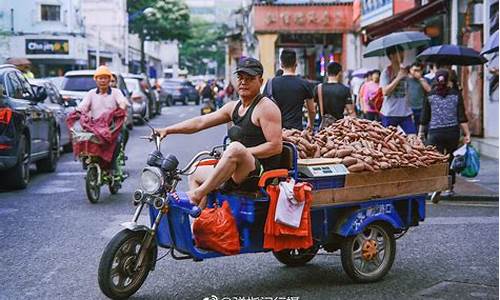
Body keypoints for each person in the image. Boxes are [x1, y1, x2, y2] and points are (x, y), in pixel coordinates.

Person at [155, 57, 282, 208]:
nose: (243, 82)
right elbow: (200, 122)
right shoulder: (233, 107)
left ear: (260, 82)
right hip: (235, 167)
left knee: (235, 148)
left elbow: (275, 147)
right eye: (240, 78)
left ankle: (196, 195)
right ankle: (201, 223)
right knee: (195, 170)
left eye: (249, 79)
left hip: (259, 173)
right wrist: (167, 130)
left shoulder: (266, 107)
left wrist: (240, 153)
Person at [418, 69, 471, 199]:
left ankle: (436, 186)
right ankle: (449, 188)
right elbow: (461, 117)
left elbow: (424, 117)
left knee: (436, 160)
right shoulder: (455, 95)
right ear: (447, 80)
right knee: (451, 160)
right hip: (452, 132)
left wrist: (420, 133)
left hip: (435, 133)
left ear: (435, 80)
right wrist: (467, 134)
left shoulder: (430, 95)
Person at [77, 66, 129, 171]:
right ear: (96, 80)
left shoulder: (116, 92)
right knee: (82, 138)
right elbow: (83, 105)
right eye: (100, 78)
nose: (103, 80)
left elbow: (122, 102)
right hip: (95, 127)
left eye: (105, 78)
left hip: (112, 126)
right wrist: (78, 111)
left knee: (118, 139)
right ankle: (87, 162)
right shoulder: (91, 93)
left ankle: (113, 164)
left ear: (109, 80)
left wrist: (121, 107)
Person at [263, 49, 315, 131]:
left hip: (276, 132)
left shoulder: (271, 83)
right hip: (296, 132)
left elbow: (264, 109)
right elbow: (312, 110)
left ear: (281, 64)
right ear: (296, 64)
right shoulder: (305, 84)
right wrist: (310, 125)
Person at [379, 45, 416, 135]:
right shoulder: (386, 72)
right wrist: (398, 78)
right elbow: (385, 92)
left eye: (402, 52)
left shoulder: (406, 71)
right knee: (387, 140)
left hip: (405, 113)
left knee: (413, 138)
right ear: (391, 56)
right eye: (399, 53)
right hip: (389, 113)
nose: (402, 55)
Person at [314, 62, 356, 128]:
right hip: (339, 128)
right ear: (339, 73)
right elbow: (351, 111)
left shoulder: (319, 88)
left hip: (323, 128)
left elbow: (313, 109)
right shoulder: (345, 89)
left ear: (327, 73)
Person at [407, 62, 431, 130]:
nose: (416, 72)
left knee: (423, 129)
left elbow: (429, 90)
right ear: (410, 70)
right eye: (414, 70)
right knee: (412, 130)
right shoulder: (407, 80)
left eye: (418, 70)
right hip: (410, 108)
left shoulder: (424, 80)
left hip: (422, 108)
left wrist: (420, 79)